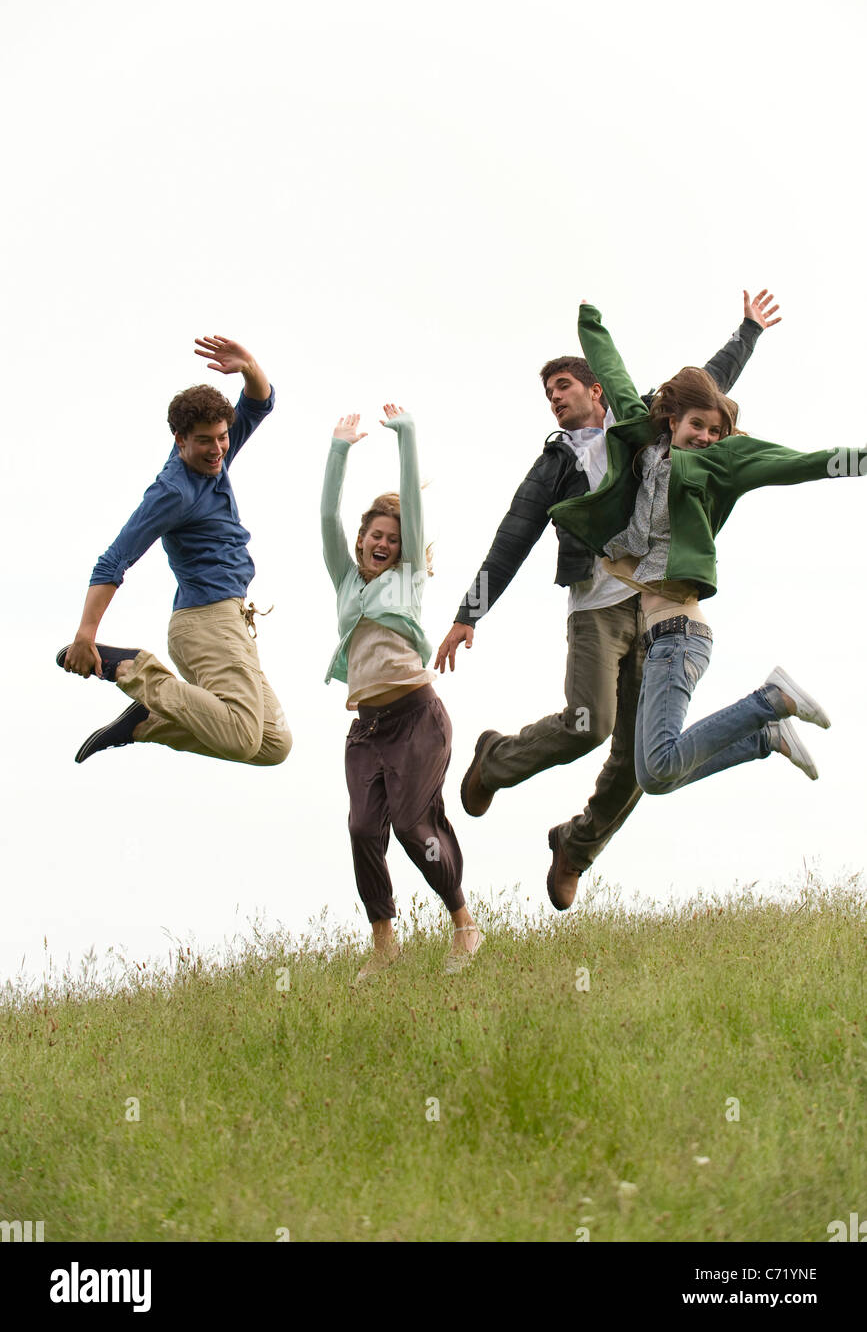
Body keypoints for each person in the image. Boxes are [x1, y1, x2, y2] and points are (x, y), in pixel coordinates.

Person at [435, 290, 781, 910]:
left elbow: (706, 389)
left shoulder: (642, 427)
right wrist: (468, 613)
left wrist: (748, 332)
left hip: (657, 609)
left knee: (638, 755)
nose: (555, 398)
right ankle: (494, 760)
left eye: (564, 385)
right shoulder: (555, 464)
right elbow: (511, 538)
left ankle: (575, 847)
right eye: (548, 394)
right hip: (596, 607)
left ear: (597, 391)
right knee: (588, 725)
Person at [549, 299, 865, 796]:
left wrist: (859, 460)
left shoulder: (720, 464)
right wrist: (590, 321)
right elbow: (613, 375)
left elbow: (802, 463)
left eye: (716, 431)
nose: (706, 436)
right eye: (698, 424)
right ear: (672, 420)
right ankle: (764, 735)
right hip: (658, 639)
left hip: (681, 635)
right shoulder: (640, 441)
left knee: (658, 766)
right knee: (653, 775)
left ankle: (771, 700)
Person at [57, 335, 292, 769]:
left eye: (222, 437)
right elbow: (114, 559)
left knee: (273, 745)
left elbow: (260, 403)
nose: (218, 448)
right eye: (206, 441)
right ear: (179, 439)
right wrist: (86, 633)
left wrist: (249, 366)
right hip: (204, 623)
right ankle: (133, 670)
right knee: (242, 737)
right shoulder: (173, 491)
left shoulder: (215, 457)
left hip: (231, 620)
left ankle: (149, 721)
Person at [321, 405, 482, 981]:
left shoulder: (408, 576)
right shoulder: (344, 577)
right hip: (366, 728)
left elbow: (411, 510)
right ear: (361, 540)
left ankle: (464, 924)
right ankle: (383, 940)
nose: (382, 543)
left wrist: (407, 435)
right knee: (364, 828)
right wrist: (339, 449)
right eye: (374, 535)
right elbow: (325, 515)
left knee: (416, 828)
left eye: (392, 537)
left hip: (417, 717)